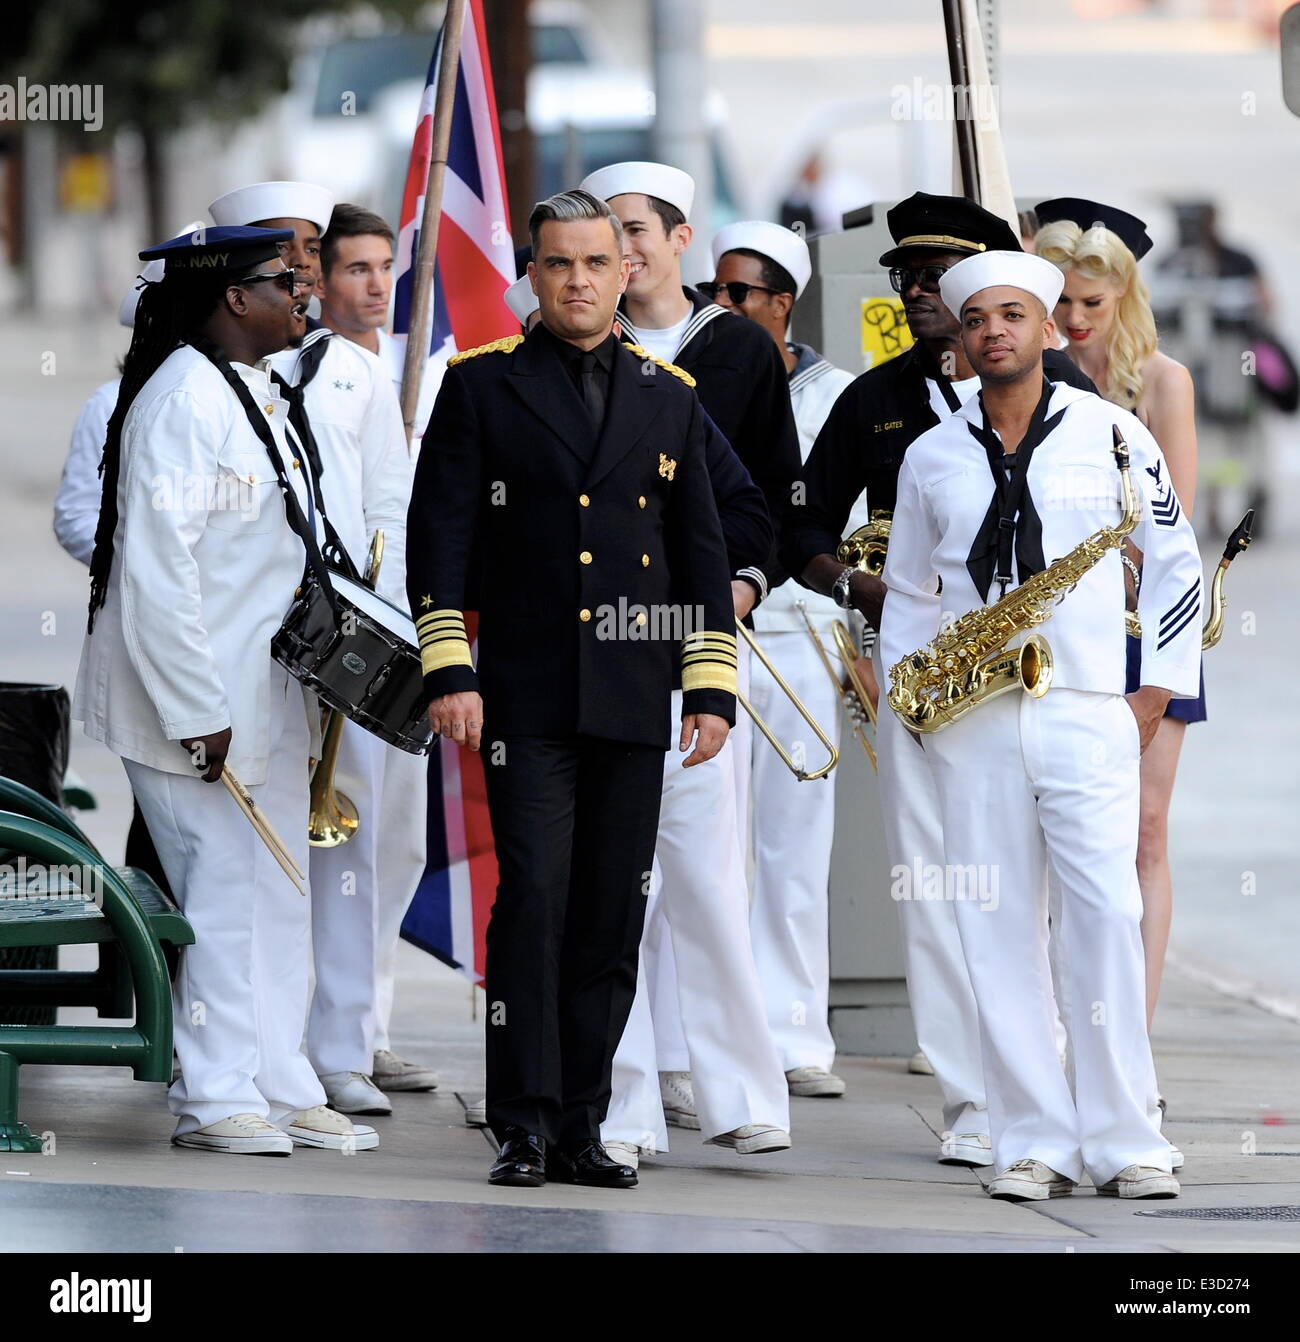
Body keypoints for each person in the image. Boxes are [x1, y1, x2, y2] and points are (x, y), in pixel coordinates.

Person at [406, 188, 738, 1189]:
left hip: (633, 697)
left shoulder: (667, 393)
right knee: (535, 899)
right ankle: (521, 1121)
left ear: (625, 270)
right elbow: (442, 541)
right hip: (527, 694)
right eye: (559, 264)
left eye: (598, 262)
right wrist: (448, 668)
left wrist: (709, 687)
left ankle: (586, 1123)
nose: (581, 280)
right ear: (535, 276)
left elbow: (700, 553)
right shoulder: (480, 388)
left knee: (608, 911)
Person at [879, 249, 1202, 1201]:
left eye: (1015, 316)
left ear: (1048, 328)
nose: (995, 333)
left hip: (1089, 708)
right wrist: (915, 699)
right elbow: (906, 593)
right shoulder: (929, 455)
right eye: (979, 319)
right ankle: (1031, 1138)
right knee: (994, 924)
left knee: (1104, 914)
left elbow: (1175, 560)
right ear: (964, 338)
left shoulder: (1110, 435)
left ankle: (1128, 1137)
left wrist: (1156, 691)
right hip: (973, 717)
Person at [782, 192, 1095, 1167]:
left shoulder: (1070, 387)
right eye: (907, 279)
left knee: (1053, 891)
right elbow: (798, 528)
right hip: (925, 670)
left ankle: (1059, 1080)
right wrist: (862, 587)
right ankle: (972, 1098)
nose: (920, 293)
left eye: (937, 277)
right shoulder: (872, 399)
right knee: (940, 880)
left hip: (1049, 674)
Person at [72, 225, 378, 1156]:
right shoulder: (180, 401)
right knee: (221, 895)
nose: (306, 293)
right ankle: (213, 1097)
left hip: (271, 696)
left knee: (278, 894)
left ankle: (276, 1078)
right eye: (286, 279)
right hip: (196, 708)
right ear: (234, 298)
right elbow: (158, 577)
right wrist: (196, 711)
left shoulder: (254, 389)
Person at [580, 159, 798, 1143]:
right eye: (596, 235)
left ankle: (743, 1100)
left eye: (631, 228)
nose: (616, 250)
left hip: (702, 649)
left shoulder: (735, 353)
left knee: (711, 881)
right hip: (600, 656)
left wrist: (742, 587)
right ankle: (621, 1105)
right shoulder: (575, 353)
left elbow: (771, 504)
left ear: (678, 240)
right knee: (611, 887)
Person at [210, 182, 420, 1116]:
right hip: (246, 636)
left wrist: (384, 627)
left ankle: (340, 1046)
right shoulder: (219, 368)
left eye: (308, 246)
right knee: (244, 853)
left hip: (343, 639)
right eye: (286, 251)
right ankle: (245, 1049)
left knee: (345, 846)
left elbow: (389, 508)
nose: (299, 266)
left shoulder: (358, 374)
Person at [1034, 198, 1200, 1031]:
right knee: (1064, 837)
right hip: (1057, 629)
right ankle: (1066, 1019)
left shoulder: (1163, 382)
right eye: (1059, 302)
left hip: (1150, 628)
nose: (1072, 321)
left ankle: (1131, 1031)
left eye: (1091, 305)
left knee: (1144, 827)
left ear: (1124, 301)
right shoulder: (1029, 376)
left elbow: (1180, 536)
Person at [705, 218, 861, 1098]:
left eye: (738, 295)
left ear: (782, 303)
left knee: (795, 846)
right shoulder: (695, 369)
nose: (720, 308)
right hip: (715, 633)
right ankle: (720, 1034)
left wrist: (857, 644)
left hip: (802, 637)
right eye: (712, 292)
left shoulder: (838, 391)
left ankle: (797, 1034)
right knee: (713, 845)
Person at [310, 199, 440, 1097]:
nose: (374, 286)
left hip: (413, 639)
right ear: (318, 282)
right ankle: (339, 1047)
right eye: (355, 269)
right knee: (343, 846)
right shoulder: (314, 373)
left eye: (383, 268)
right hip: (349, 643)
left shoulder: (420, 369)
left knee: (401, 846)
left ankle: (372, 1021)